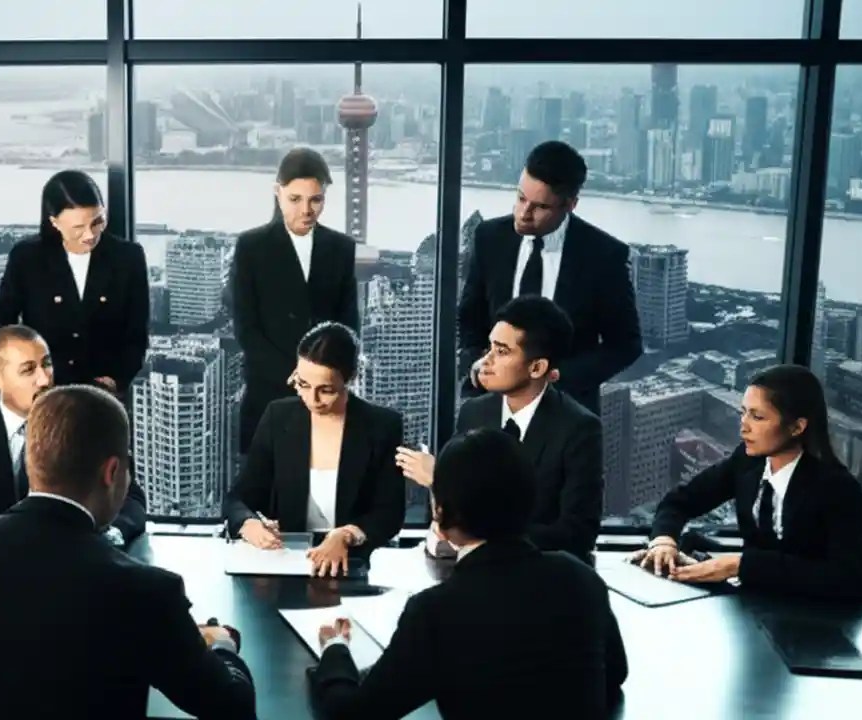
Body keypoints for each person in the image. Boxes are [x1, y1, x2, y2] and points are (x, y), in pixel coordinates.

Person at [0, 386, 255, 720]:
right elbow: (231, 706)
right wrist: (221, 644)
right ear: (113, 471)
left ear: (30, 462)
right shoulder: (144, 591)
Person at [310, 427, 627, 719]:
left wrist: (335, 650)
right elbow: (615, 674)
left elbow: (352, 715)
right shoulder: (581, 578)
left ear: (441, 514)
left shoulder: (436, 611)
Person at [633, 364, 862, 600]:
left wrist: (740, 566)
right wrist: (664, 541)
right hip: (755, 605)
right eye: (743, 412)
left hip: (817, 618)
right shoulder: (749, 462)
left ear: (797, 427)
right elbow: (682, 500)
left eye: (757, 417)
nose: (744, 426)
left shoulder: (838, 489)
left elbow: (849, 577)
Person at [397, 296, 602, 560]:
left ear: (537, 367)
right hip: (473, 572)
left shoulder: (578, 428)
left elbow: (578, 533)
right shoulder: (474, 412)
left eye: (502, 352)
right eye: (489, 348)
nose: (486, 361)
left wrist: (444, 481)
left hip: (543, 577)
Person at [0, 324, 146, 545]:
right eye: (28, 370)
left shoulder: (78, 413)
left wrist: (111, 535)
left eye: (47, 364)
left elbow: (131, 497)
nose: (44, 379)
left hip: (70, 559)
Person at [457, 140, 642, 414]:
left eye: (539, 206)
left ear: (570, 204)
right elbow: (470, 316)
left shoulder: (603, 255)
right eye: (520, 198)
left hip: (563, 416)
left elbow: (626, 345)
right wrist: (477, 362)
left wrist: (555, 379)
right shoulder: (489, 237)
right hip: (488, 405)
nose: (523, 214)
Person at [225, 322, 405, 577]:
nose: (312, 399)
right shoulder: (278, 416)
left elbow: (389, 513)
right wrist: (248, 523)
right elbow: (238, 498)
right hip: (285, 562)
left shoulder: (382, 426)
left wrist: (346, 535)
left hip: (351, 566)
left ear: (350, 378)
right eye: (303, 384)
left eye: (326, 390)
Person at [232, 148, 360, 453]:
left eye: (316, 199)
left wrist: (324, 378)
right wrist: (301, 376)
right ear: (278, 193)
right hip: (268, 397)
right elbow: (246, 329)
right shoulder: (251, 247)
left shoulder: (341, 248)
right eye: (295, 199)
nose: (307, 210)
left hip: (328, 399)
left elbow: (349, 326)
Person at [0, 170, 149, 398]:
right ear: (54, 222)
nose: (90, 234)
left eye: (98, 221)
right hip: (42, 393)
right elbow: (0, 329)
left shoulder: (129, 258)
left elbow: (137, 334)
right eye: (78, 227)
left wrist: (117, 378)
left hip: (103, 397)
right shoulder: (27, 259)